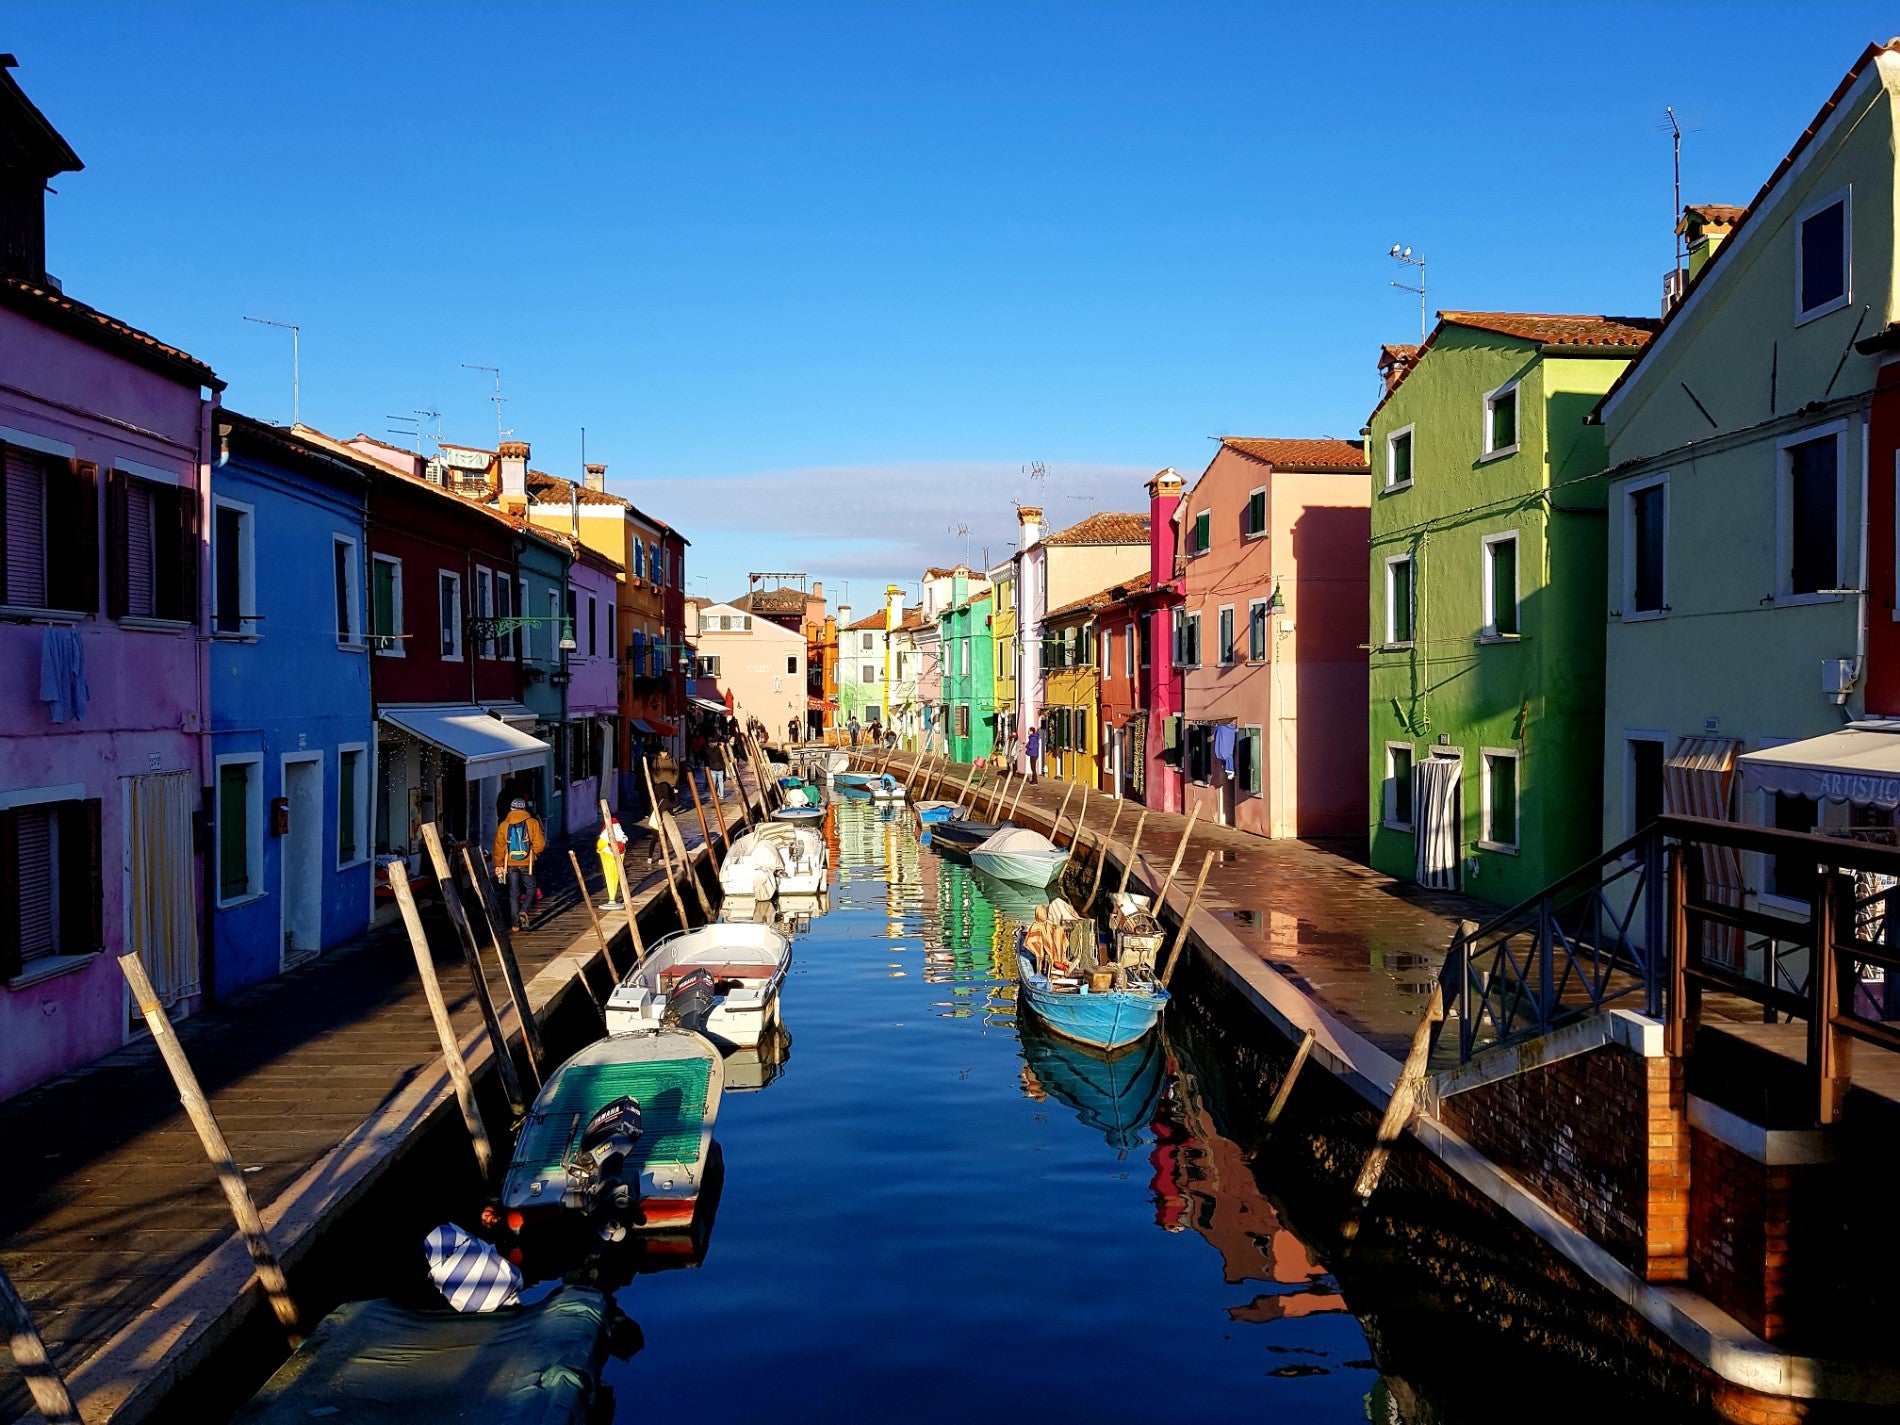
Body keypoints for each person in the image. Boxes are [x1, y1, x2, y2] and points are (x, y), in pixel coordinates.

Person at [493, 798, 546, 931]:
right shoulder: (533, 823)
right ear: (524, 809)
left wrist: (499, 864)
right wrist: (532, 853)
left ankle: (515, 924)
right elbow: (540, 845)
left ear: (511, 809)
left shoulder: (504, 825)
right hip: (527, 863)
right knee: (531, 888)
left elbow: (499, 847)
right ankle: (524, 910)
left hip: (510, 863)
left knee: (513, 893)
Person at [596, 810, 630, 910]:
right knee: (612, 876)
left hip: (611, 853)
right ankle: (612, 898)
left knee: (612, 876)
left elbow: (600, 845)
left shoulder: (605, 838)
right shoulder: (608, 838)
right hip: (610, 853)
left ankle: (612, 898)